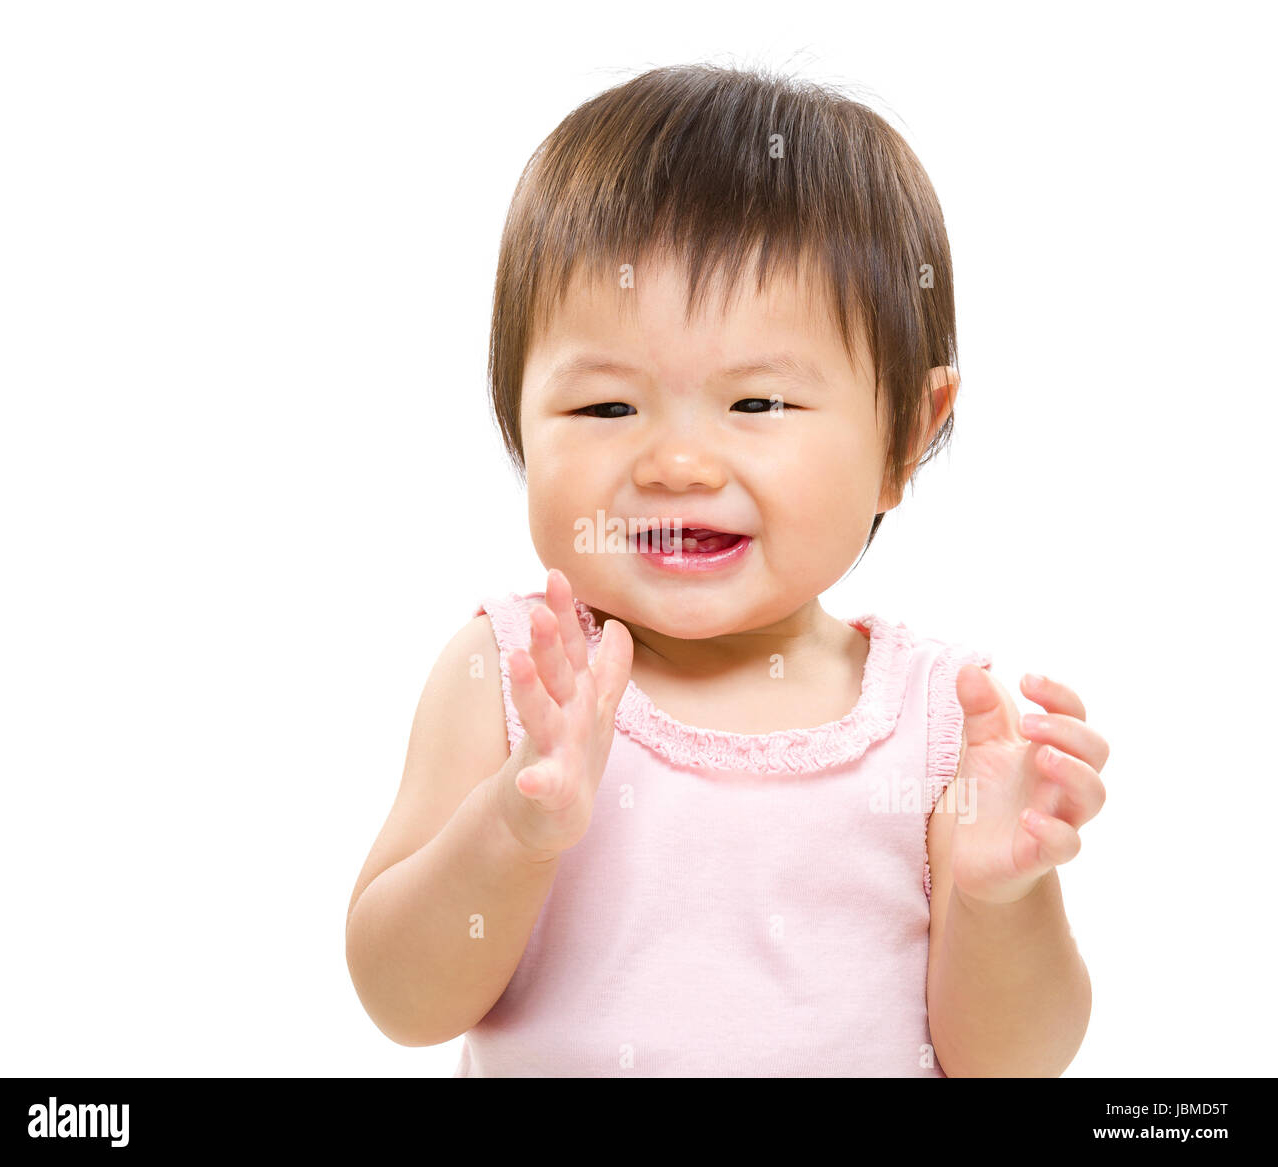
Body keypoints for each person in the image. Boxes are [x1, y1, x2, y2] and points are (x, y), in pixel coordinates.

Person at [345, 62, 1110, 1077]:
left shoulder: (938, 720)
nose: (675, 465)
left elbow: (1011, 1062)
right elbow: (403, 1002)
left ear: (901, 438)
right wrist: (516, 829)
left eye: (757, 405)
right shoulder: (512, 677)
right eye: (603, 408)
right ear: (518, 423)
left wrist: (999, 895)